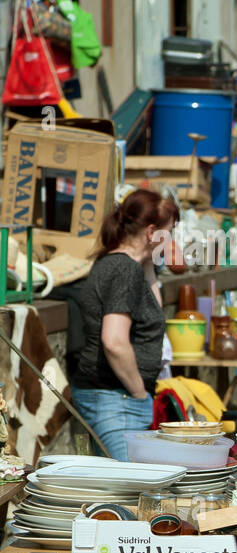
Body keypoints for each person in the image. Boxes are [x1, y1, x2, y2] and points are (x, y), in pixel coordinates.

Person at [70, 189, 179, 460]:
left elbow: (154, 310)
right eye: (170, 232)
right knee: (128, 490)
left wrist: (148, 260)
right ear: (152, 231)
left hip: (117, 398)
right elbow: (114, 342)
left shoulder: (125, 266)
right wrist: (139, 394)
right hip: (117, 401)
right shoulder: (122, 270)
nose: (173, 240)